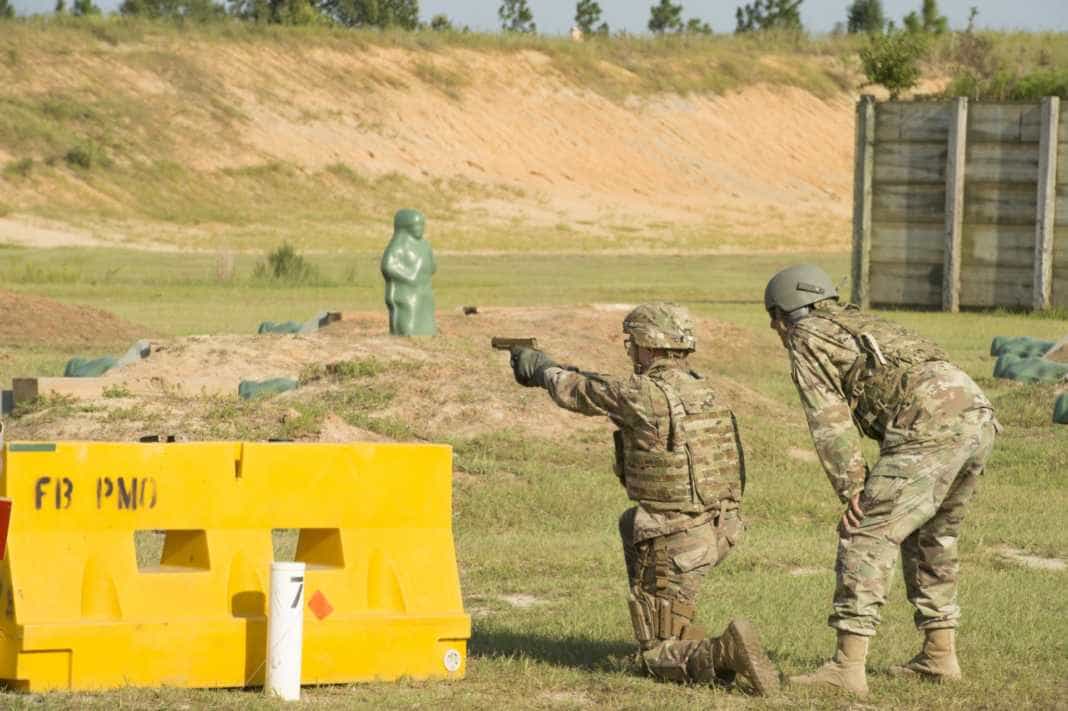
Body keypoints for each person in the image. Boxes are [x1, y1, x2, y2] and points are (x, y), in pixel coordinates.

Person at [508, 303, 779, 695]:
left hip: (677, 540)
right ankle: (672, 627)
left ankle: (725, 650)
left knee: (654, 657)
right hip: (721, 528)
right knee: (630, 523)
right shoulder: (705, 390)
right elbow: (609, 389)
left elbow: (577, 392)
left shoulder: (640, 393)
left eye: (632, 343)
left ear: (648, 346)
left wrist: (540, 369)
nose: (631, 350)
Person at [764, 265, 999, 696]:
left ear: (784, 313)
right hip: (976, 414)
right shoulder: (860, 321)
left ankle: (847, 668)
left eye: (774, 319)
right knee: (933, 535)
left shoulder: (807, 334)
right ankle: (939, 655)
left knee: (865, 533)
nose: (775, 330)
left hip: (929, 425)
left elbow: (828, 417)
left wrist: (853, 489)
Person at [381, 208, 437, 336]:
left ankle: (427, 331)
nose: (420, 228)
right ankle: (407, 333)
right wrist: (409, 276)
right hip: (406, 292)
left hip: (425, 288)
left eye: (422, 225)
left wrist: (430, 268)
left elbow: (432, 263)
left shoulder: (425, 244)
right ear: (405, 227)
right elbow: (388, 266)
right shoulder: (400, 244)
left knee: (426, 310)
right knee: (409, 312)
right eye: (416, 225)